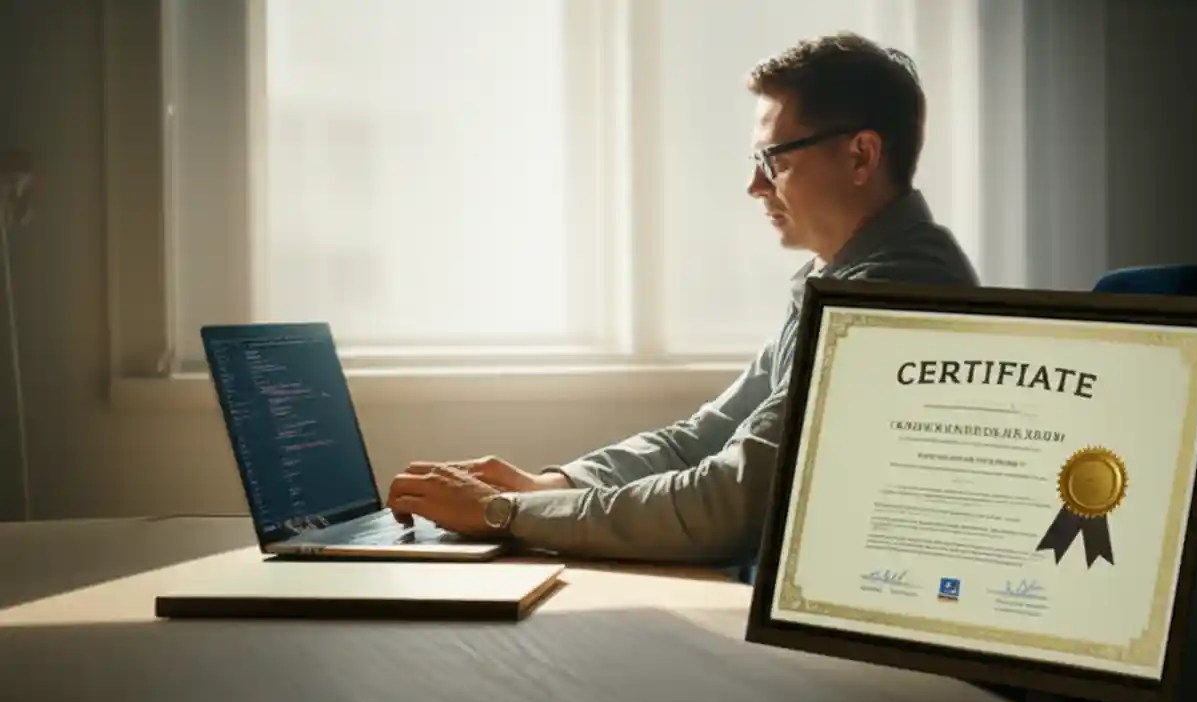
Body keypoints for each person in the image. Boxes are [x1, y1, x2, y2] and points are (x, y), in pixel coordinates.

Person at [386, 31, 979, 568]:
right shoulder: (843, 278)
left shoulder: (891, 295)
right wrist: (549, 485)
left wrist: (504, 515)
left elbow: (727, 506)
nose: (754, 185)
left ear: (861, 156)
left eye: (775, 160)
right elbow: (703, 437)